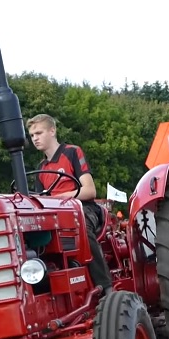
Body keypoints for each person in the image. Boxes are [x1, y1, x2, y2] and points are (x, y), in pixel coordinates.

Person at [25, 114, 112, 295]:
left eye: (39, 133)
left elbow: (90, 191)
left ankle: (105, 286)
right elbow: (39, 200)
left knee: (80, 228)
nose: (35, 138)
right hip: (55, 216)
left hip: (81, 208)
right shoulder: (41, 167)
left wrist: (64, 197)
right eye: (32, 135)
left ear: (52, 131)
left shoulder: (72, 152)